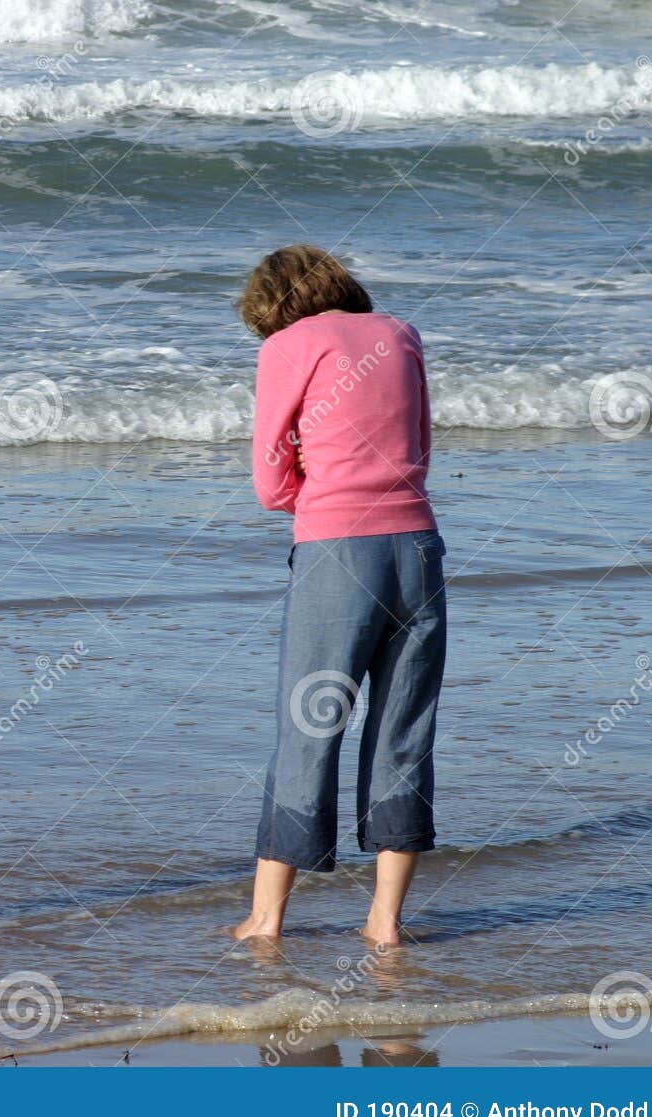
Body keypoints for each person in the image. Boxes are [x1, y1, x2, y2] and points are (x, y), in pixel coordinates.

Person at [231, 244, 447, 948]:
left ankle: (267, 919)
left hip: (336, 553)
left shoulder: (290, 345)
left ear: (273, 307)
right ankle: (385, 924)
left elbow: (270, 482)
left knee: (309, 723)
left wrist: (312, 493)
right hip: (417, 545)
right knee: (403, 732)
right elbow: (421, 445)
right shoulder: (400, 333)